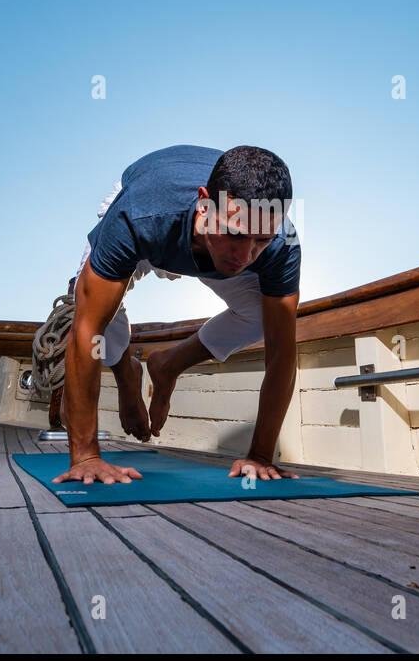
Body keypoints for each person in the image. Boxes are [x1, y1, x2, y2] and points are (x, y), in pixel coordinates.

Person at [53, 144, 301, 486]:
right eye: (234, 233)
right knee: (94, 311)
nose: (245, 256)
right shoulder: (137, 216)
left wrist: (259, 455)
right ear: (204, 203)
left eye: (261, 239)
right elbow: (87, 329)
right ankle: (126, 370)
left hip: (189, 236)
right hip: (152, 217)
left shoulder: (281, 243)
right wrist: (86, 456)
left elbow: (281, 353)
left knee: (269, 318)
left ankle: (168, 363)